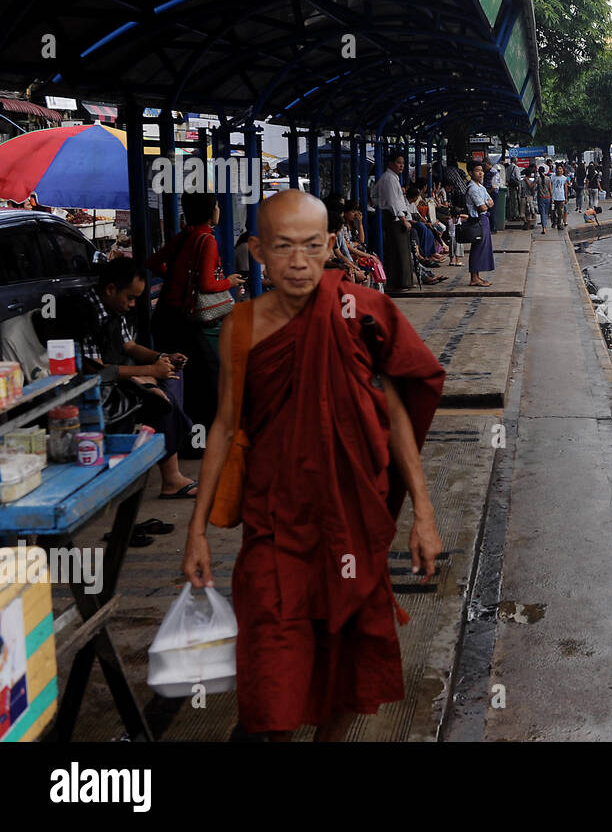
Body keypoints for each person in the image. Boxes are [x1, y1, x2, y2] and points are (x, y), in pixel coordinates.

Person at [181, 190, 445, 740]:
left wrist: (423, 512)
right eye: (282, 248)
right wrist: (196, 530)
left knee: (350, 655)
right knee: (269, 691)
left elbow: (397, 413)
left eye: (310, 247)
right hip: (276, 530)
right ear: (257, 251)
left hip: (351, 521)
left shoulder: (358, 312)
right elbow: (225, 426)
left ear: (330, 246)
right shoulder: (243, 325)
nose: (298, 263)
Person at [63, 258, 197, 500]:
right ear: (111, 289)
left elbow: (130, 346)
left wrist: (162, 358)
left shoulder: (114, 307)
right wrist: (149, 372)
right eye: (130, 297)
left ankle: (172, 459)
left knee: (173, 375)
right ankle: (171, 479)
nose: (133, 304)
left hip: (114, 377)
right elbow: (97, 371)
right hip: (92, 388)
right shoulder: (86, 314)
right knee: (159, 400)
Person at [146, 191, 246, 429]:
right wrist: (229, 282)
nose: (219, 210)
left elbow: (153, 262)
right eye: (217, 206)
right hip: (192, 320)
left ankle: (182, 427)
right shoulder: (206, 239)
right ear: (211, 212)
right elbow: (206, 285)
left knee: (180, 377)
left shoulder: (184, 236)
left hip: (167, 316)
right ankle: (205, 430)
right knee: (208, 376)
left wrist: (177, 278)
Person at [372, 153, 413, 292]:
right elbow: (392, 202)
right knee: (398, 252)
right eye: (398, 162)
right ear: (390, 163)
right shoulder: (388, 179)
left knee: (400, 250)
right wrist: (403, 219)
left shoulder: (391, 178)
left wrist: (379, 203)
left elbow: (375, 195)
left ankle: (402, 281)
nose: (401, 165)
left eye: (402, 162)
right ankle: (399, 282)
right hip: (395, 219)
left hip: (396, 217)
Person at [465, 162, 495, 288]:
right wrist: (486, 204)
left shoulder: (481, 187)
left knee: (483, 247)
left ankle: (477, 276)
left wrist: (486, 204)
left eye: (482, 170)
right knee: (477, 247)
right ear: (471, 173)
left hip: (484, 219)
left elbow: (491, 202)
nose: (481, 173)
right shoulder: (472, 188)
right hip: (477, 220)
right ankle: (474, 278)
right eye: (477, 170)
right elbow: (482, 206)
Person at [549, 163, 571, 230]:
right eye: (558, 169)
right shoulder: (552, 177)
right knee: (552, 212)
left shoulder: (564, 178)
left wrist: (566, 197)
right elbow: (550, 186)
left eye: (560, 169)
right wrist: (551, 196)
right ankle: (553, 222)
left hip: (561, 197)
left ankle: (559, 224)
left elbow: (565, 188)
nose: (559, 170)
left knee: (560, 212)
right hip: (554, 197)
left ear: (563, 170)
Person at [533, 167, 551, 234]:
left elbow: (532, 186)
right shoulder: (548, 178)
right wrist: (552, 197)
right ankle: (545, 226)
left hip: (541, 198)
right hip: (548, 197)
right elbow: (550, 189)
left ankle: (544, 228)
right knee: (546, 213)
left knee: (542, 213)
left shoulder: (538, 179)